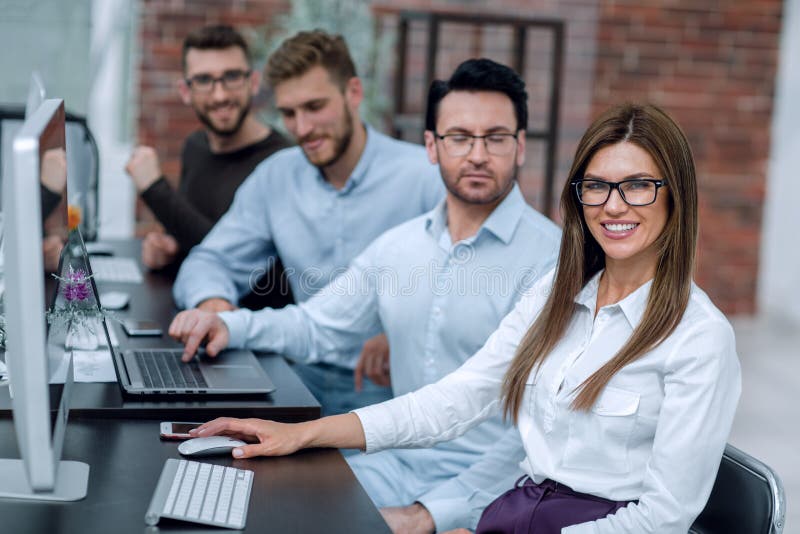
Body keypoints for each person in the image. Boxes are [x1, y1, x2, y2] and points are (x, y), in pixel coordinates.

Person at [178, 103, 742, 534]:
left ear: (676, 196)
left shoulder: (699, 337)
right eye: (596, 186)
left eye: (638, 186)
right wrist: (304, 434)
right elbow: (457, 399)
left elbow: (662, 520)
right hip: (519, 507)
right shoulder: (555, 294)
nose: (613, 206)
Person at [169, 58, 561, 532]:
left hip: (499, 492)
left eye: (495, 137)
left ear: (520, 147)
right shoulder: (400, 246)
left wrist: (428, 515)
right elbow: (318, 326)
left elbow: (541, 432)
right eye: (459, 137)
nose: (477, 154)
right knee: (248, 499)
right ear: (432, 147)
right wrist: (229, 324)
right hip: (395, 463)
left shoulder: (554, 262)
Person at [172, 30, 444, 415]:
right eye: (288, 113)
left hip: (394, 390)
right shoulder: (276, 177)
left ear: (353, 93)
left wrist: (401, 331)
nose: (301, 129)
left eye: (315, 107)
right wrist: (212, 303)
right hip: (297, 375)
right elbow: (208, 260)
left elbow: (471, 283)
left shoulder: (422, 176)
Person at [124, 24, 291, 277]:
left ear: (253, 83)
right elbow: (198, 240)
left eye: (232, 77)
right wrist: (171, 250)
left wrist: (155, 189)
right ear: (185, 91)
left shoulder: (283, 162)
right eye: (203, 80)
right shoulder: (195, 146)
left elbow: (240, 262)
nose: (220, 95)